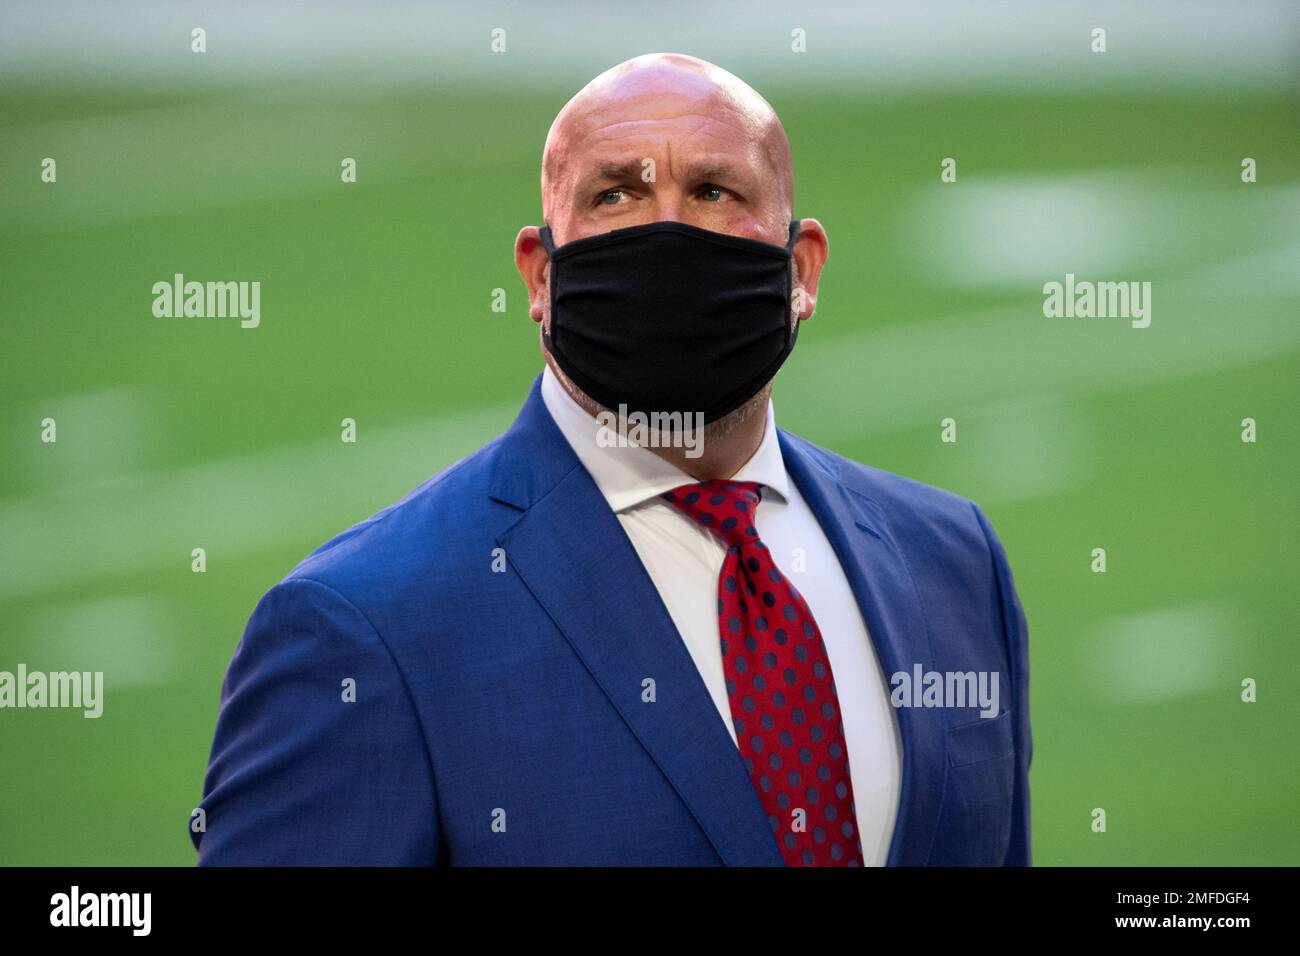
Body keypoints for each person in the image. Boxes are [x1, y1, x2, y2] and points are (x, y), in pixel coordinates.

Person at [193, 52, 1031, 866]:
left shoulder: (952, 562)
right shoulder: (364, 625)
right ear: (540, 277)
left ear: (801, 269)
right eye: (616, 194)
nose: (665, 232)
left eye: (712, 191)